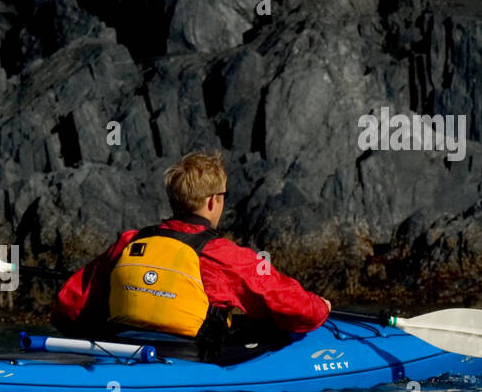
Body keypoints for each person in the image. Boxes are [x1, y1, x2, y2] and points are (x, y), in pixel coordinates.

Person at [52, 152, 330, 356]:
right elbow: (294, 307)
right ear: (212, 201)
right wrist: (321, 307)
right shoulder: (224, 255)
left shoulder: (130, 242)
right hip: (190, 368)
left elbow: (67, 308)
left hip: (120, 353)